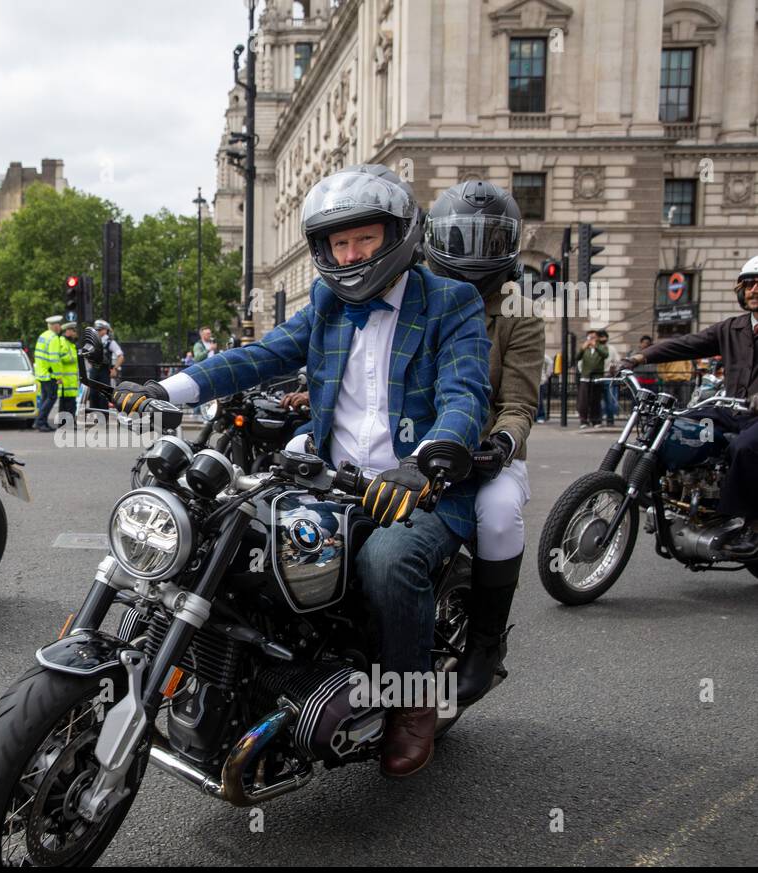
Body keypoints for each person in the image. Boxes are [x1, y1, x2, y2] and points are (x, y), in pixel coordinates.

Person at [113, 163, 491, 778]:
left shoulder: (451, 301)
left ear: (398, 234)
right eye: (338, 243)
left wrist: (427, 463)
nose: (350, 253)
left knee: (388, 562)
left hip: (415, 490)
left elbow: (465, 394)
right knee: (227, 534)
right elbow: (260, 356)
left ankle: (413, 701)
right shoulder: (326, 302)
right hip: (326, 476)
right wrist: (170, 390)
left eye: (363, 239)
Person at [423, 179, 543, 705]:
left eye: (488, 241)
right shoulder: (415, 301)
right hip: (418, 443)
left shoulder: (520, 318)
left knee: (497, 516)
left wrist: (500, 446)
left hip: (486, 456)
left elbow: (519, 405)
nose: (473, 254)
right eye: (460, 237)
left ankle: (486, 645)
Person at [620, 254, 758, 552]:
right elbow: (687, 344)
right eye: (748, 284)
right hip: (729, 410)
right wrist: (640, 357)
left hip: (756, 417)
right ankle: (663, 495)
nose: (754, 289)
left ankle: (751, 523)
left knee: (744, 447)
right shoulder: (732, 328)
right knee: (674, 426)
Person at [32, 315, 64, 432]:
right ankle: (40, 422)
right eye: (59, 325)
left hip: (41, 373)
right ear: (55, 326)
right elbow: (54, 359)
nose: (60, 327)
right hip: (49, 375)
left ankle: (40, 422)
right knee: (51, 398)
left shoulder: (43, 336)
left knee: (46, 399)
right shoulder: (54, 338)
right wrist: (58, 376)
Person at [576, 331, 607, 428]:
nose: (591, 339)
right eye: (590, 337)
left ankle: (596, 420)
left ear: (597, 338)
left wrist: (596, 346)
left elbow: (605, 355)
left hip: (596, 378)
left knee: (595, 400)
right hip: (585, 377)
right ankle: (583, 420)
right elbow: (577, 357)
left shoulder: (601, 347)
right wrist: (582, 348)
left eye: (593, 337)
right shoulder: (585, 349)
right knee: (583, 401)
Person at [53, 321, 81, 427]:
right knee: (67, 403)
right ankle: (66, 424)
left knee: (69, 403)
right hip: (66, 379)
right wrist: (76, 355)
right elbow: (64, 357)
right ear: (68, 331)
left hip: (70, 380)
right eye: (74, 331)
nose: (76, 334)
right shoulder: (63, 341)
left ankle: (65, 423)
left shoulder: (70, 343)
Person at [597, 331, 619, 425]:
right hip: (597, 376)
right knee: (597, 400)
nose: (602, 339)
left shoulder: (611, 349)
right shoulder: (595, 348)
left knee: (609, 400)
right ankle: (597, 420)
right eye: (600, 337)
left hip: (607, 377)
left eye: (604, 337)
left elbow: (616, 361)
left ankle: (610, 420)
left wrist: (613, 368)